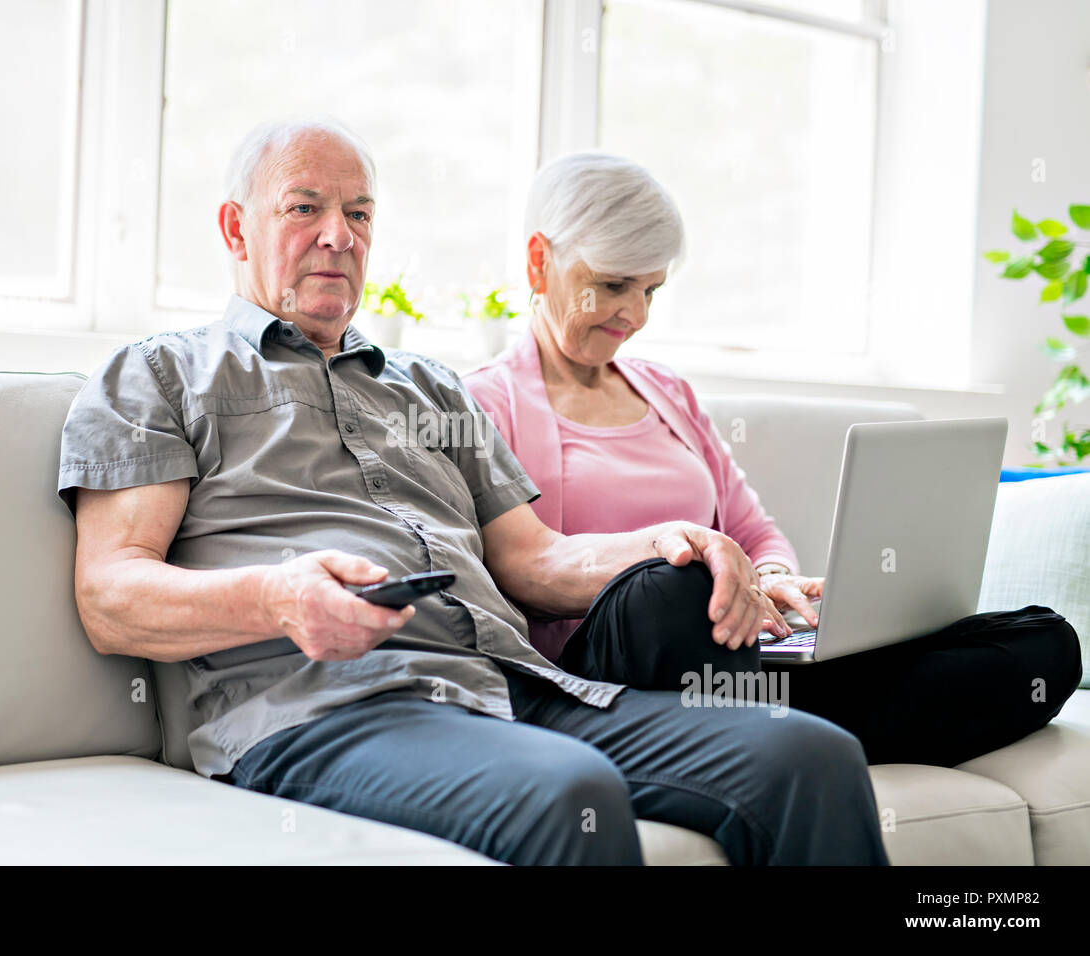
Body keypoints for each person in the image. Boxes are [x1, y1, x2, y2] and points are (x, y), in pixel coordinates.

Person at [57, 117, 890, 866]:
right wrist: (278, 598)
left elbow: (536, 561)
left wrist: (672, 539)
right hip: (330, 711)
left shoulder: (432, 389)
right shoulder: (160, 375)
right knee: (568, 792)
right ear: (236, 228)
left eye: (359, 214)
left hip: (512, 690)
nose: (338, 237)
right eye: (303, 209)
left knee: (806, 758)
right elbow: (110, 594)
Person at [462, 150, 1083, 769]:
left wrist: (777, 580)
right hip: (617, 667)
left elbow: (754, 532)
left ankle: (793, 733)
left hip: (737, 665)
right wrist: (690, 563)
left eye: (652, 289)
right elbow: (521, 572)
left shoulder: (666, 392)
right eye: (616, 284)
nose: (637, 314)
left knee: (1044, 640)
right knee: (671, 587)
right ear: (541, 262)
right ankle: (825, 724)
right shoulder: (484, 401)